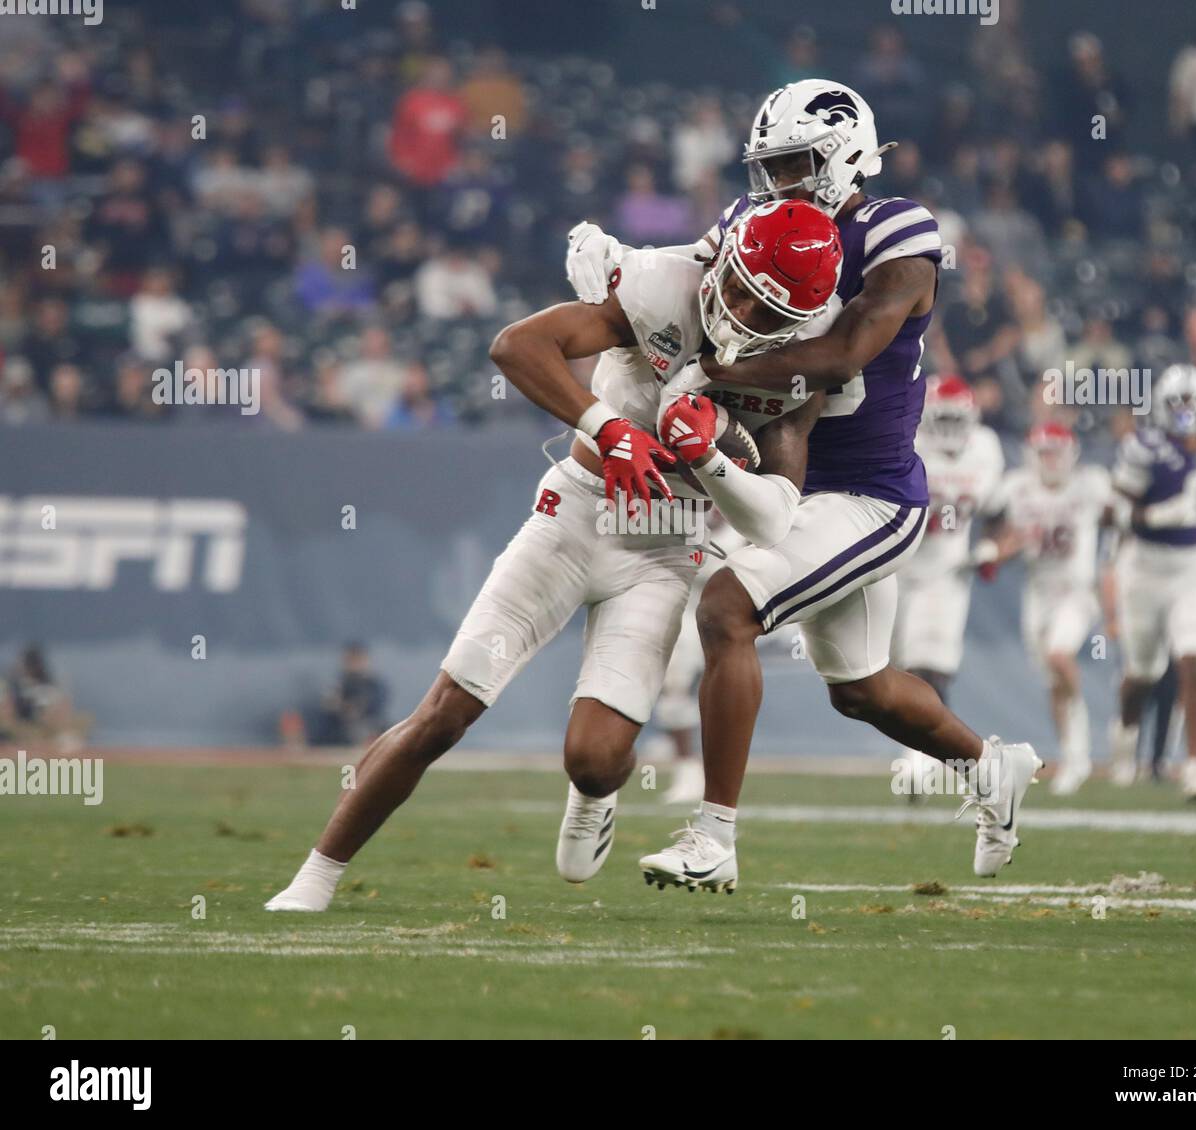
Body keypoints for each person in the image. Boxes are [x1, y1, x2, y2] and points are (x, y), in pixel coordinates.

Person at [265, 200, 843, 911]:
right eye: (741, 293)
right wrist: (609, 430)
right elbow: (515, 346)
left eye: (768, 313)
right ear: (722, 264)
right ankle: (316, 876)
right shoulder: (663, 285)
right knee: (447, 709)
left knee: (595, 760)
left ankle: (594, 795)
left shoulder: (814, 358)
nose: (747, 318)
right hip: (574, 512)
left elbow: (776, 516)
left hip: (666, 548)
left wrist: (710, 463)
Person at [567, 81, 1041, 893]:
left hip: (868, 494)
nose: (776, 182)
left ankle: (715, 836)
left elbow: (849, 347)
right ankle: (992, 769)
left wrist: (715, 371)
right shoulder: (751, 225)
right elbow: (691, 284)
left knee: (726, 608)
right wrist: (621, 268)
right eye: (770, 165)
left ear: (843, 152)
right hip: (785, 484)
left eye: (793, 164)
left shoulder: (897, 229)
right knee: (861, 691)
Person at [1103, 365, 1196, 800]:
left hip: (1195, 569)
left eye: (1192, 404)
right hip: (1145, 567)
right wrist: (1155, 515)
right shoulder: (1143, 448)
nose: (1186, 414)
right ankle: (1125, 736)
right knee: (1142, 674)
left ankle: (1194, 767)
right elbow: (1111, 512)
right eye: (1177, 405)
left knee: (1195, 660)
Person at [891, 375, 1005, 798]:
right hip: (892, 566)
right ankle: (957, 759)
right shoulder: (906, 437)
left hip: (945, 572)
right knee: (884, 677)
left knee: (928, 669)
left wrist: (994, 546)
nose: (951, 429)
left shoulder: (986, 450)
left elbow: (999, 509)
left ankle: (918, 763)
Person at [987, 423, 1112, 795]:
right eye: (1044, 452)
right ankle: (1072, 757)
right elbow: (1002, 532)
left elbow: (1118, 519)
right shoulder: (1018, 488)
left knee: (1060, 657)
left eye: (1056, 451)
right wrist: (995, 551)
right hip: (1037, 595)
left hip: (1075, 591)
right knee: (1052, 681)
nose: (1051, 460)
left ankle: (1082, 747)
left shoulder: (1090, 485)